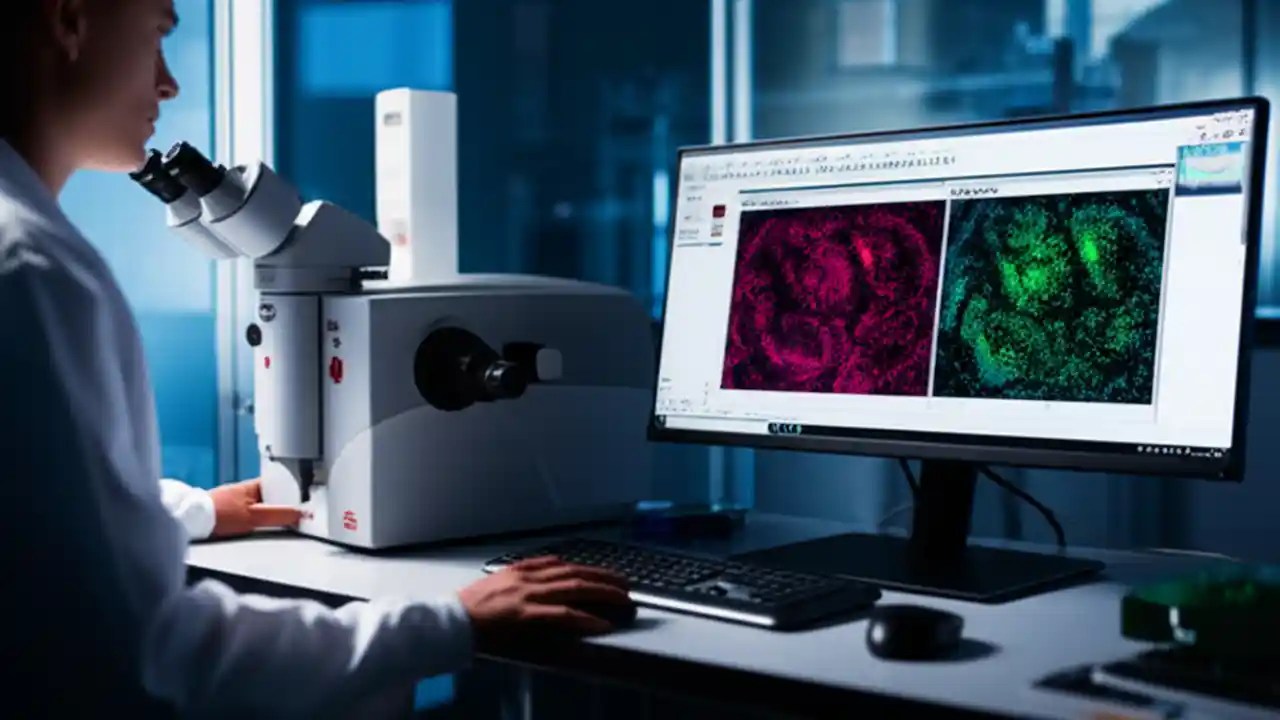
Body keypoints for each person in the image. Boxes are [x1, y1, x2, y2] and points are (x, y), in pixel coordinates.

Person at [0, 0, 633, 717]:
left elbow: (36, 534)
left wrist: (190, 511)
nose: (169, 83)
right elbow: (146, 654)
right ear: (69, 19)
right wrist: (451, 622)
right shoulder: (32, 273)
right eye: (158, 36)